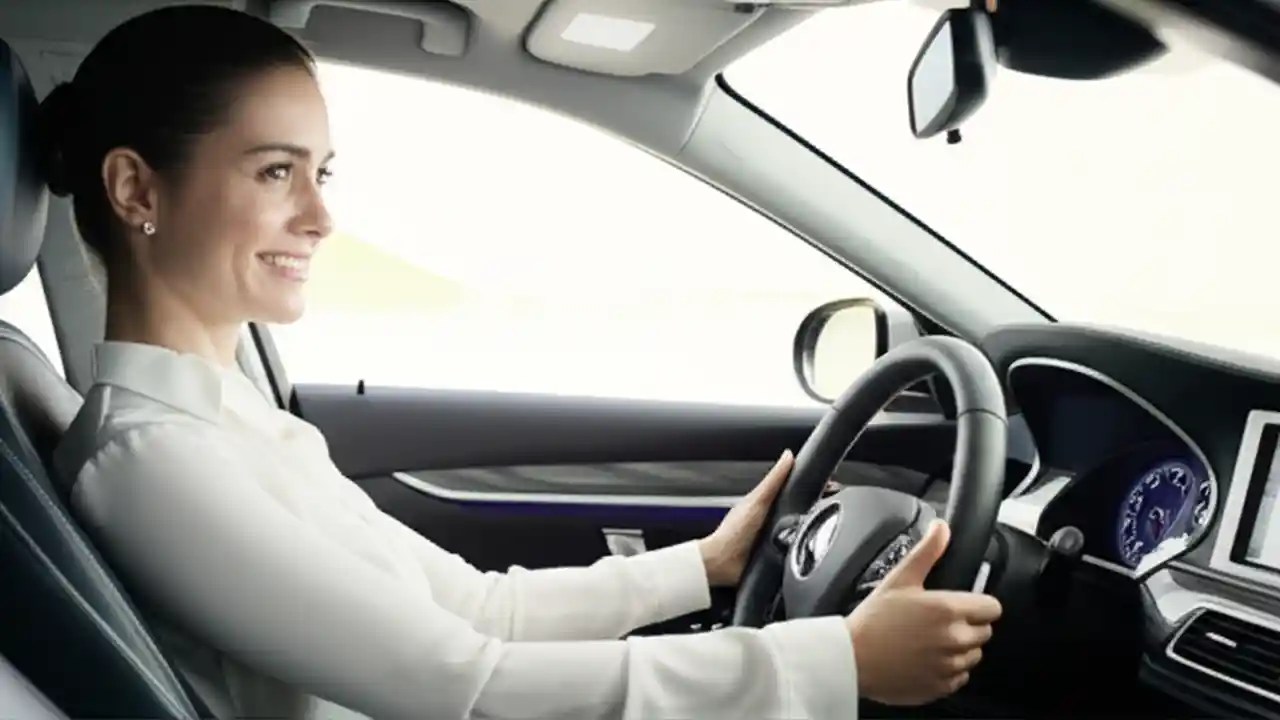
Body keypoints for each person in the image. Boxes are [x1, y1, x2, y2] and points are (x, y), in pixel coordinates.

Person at [43, 6, 1002, 719]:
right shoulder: (153, 465)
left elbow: (472, 609)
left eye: (320, 173)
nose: (321, 216)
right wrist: (834, 662)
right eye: (274, 171)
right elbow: (461, 685)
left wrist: (702, 568)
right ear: (135, 188)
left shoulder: (231, 423)